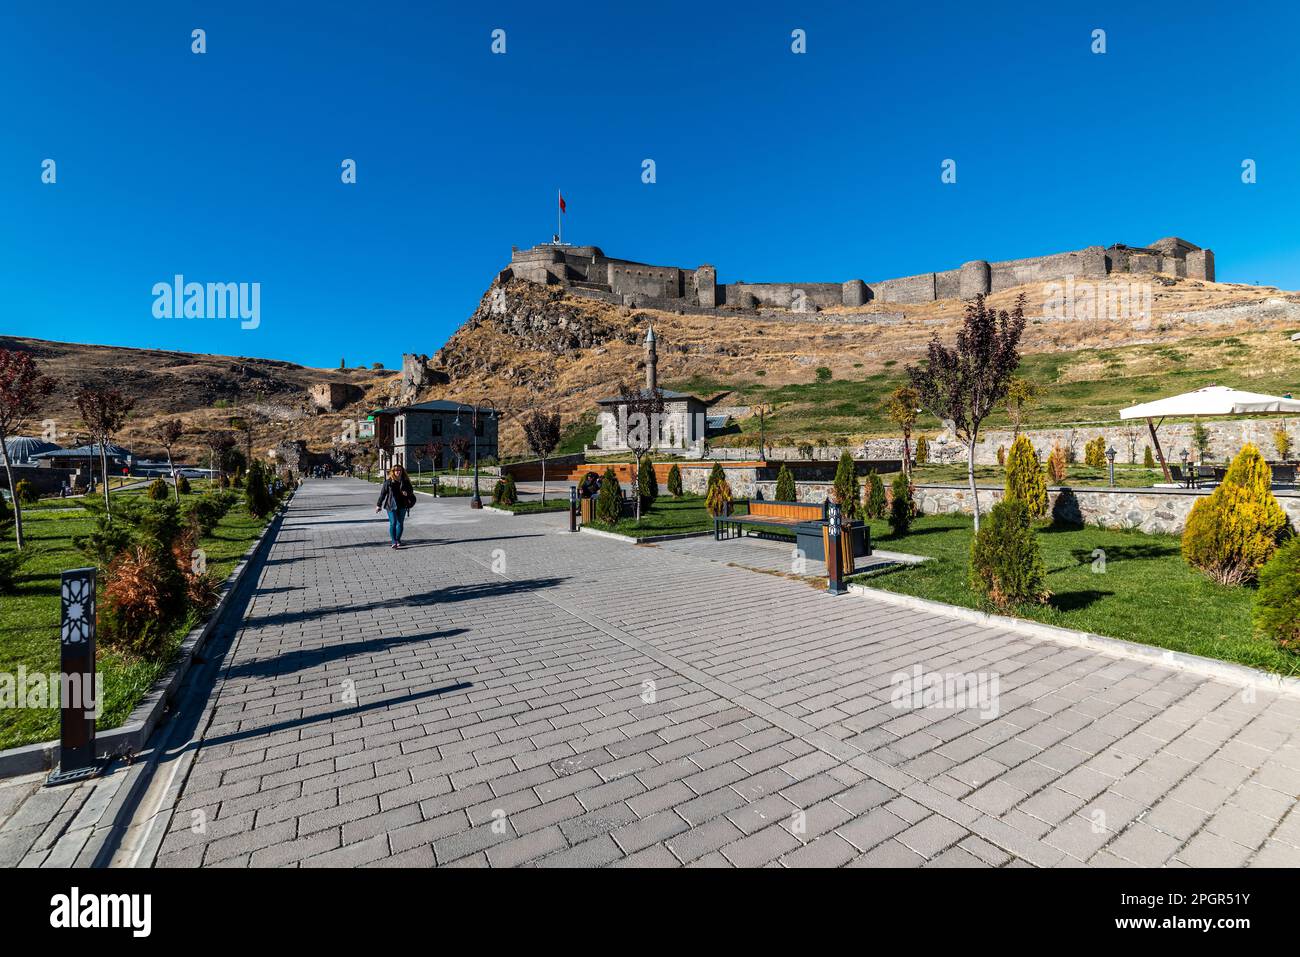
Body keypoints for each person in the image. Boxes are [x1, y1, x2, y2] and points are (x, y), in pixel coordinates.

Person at [375, 464, 416, 549]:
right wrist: (378, 505)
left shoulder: (405, 481)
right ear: (392, 472)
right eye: (396, 470)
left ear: (402, 471)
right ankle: (394, 541)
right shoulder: (388, 482)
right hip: (391, 505)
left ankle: (398, 540)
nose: (398, 472)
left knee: (400, 524)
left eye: (400, 470)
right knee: (393, 523)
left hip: (402, 505)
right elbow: (382, 494)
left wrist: (407, 493)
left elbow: (411, 492)